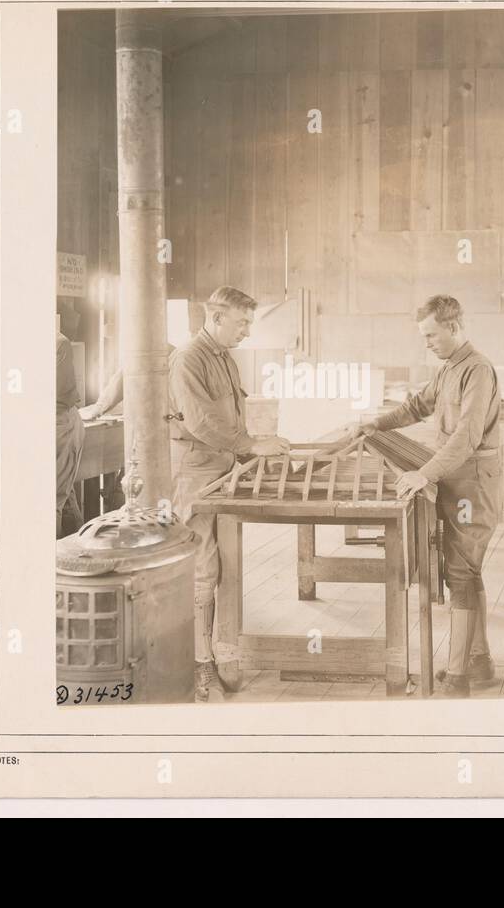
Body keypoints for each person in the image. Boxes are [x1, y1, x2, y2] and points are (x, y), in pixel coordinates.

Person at [343, 294, 503, 697]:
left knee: (463, 572)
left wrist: (423, 473)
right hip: (455, 475)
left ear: (453, 326)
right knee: (465, 569)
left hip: (473, 482)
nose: (426, 343)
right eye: (423, 336)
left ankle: (458, 678)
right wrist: (373, 425)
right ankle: (479, 661)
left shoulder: (477, 370)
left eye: (431, 335)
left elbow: (466, 436)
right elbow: (417, 407)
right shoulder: (449, 368)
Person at [169, 286, 291, 702]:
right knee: (203, 571)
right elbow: (200, 422)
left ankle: (221, 654)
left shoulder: (224, 359)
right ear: (216, 318)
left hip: (223, 472)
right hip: (196, 476)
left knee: (227, 566)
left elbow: (232, 416)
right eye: (241, 323)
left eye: (249, 324)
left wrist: (254, 447)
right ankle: (201, 667)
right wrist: (251, 446)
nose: (246, 332)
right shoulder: (188, 358)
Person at [55, 330, 85, 538]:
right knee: (64, 496)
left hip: (60, 422)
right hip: (51, 421)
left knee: (52, 500)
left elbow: (58, 395)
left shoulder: (58, 343)